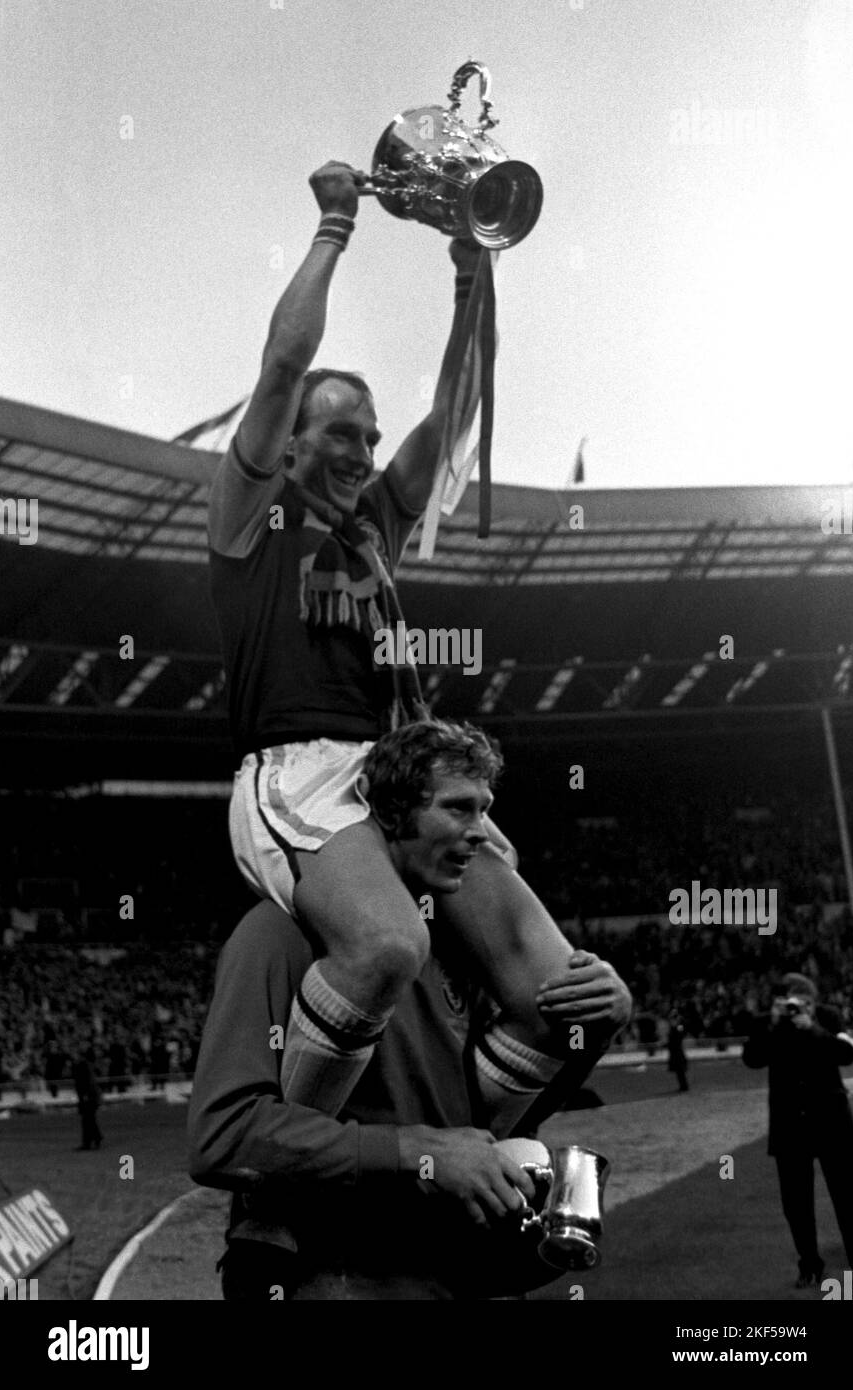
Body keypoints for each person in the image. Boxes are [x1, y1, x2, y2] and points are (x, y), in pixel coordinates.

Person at [207, 160, 622, 1121]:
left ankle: (447, 1147)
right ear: (290, 442)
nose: (360, 453)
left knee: (568, 1002)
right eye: (340, 433)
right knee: (389, 946)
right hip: (303, 768)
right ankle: (299, 1167)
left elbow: (458, 408)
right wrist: (335, 227)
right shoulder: (248, 520)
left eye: (369, 436)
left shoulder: (376, 528)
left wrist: (472, 273)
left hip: (407, 778)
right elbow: (280, 364)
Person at [188, 720, 631, 1300]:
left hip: (453, 1274)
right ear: (391, 815)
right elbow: (223, 1136)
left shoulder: (466, 954)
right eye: (459, 810)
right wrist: (419, 1153)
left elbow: (493, 1120)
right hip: (330, 1277)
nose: (483, 837)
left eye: (485, 810)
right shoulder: (278, 934)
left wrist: (593, 1028)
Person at [743, 971, 853, 1288]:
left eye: (801, 1000)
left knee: (848, 1197)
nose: (795, 1006)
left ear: (812, 1000)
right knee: (796, 1204)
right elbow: (752, 1059)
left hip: (832, 1122)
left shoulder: (827, 1017)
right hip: (790, 1126)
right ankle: (809, 1265)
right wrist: (773, 1024)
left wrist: (814, 1029)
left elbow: (847, 1054)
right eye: (788, 1000)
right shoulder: (767, 1022)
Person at [72, 1046, 103, 1151]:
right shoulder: (86, 1065)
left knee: (87, 1120)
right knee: (90, 1119)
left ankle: (88, 1142)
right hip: (90, 1096)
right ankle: (96, 1138)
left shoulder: (82, 1065)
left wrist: (85, 1095)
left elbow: (86, 1082)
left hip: (88, 1096)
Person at [666, 1009, 689, 1093]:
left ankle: (684, 1086)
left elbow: (679, 1035)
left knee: (680, 1070)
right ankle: (683, 1086)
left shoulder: (679, 1026)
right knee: (679, 1071)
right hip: (675, 1051)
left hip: (677, 1051)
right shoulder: (676, 1026)